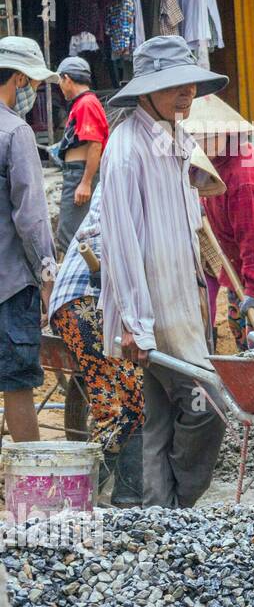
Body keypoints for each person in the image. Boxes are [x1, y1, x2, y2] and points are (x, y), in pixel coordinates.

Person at [99, 35, 228, 508]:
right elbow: (119, 242)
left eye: (190, 84)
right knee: (207, 403)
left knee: (159, 417)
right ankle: (180, 503)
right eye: (173, 86)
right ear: (146, 91)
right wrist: (135, 323)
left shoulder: (174, 140)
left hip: (180, 301)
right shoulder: (126, 149)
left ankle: (159, 518)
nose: (186, 94)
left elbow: (190, 222)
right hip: (152, 311)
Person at [48, 188, 144, 506]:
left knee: (122, 404)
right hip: (92, 296)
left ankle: (124, 498)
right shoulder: (141, 176)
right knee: (123, 407)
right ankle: (73, 501)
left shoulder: (128, 166)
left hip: (80, 298)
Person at [184, 95, 254, 350]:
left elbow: (252, 235)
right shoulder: (215, 163)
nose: (198, 143)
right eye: (194, 136)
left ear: (226, 133)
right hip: (239, 261)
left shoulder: (245, 176)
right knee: (238, 325)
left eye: (205, 135)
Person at [0, 37, 57, 443]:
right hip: (10, 283)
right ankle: (32, 485)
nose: (33, 93)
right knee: (17, 383)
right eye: (34, 85)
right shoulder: (15, 132)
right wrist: (48, 274)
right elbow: (32, 217)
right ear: (19, 79)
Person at [51, 56, 109, 257]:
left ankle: (77, 279)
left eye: (60, 80)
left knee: (70, 234)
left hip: (80, 174)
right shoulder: (84, 103)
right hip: (77, 173)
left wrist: (85, 182)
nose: (60, 86)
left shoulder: (86, 104)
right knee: (73, 231)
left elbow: (95, 144)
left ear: (67, 79)